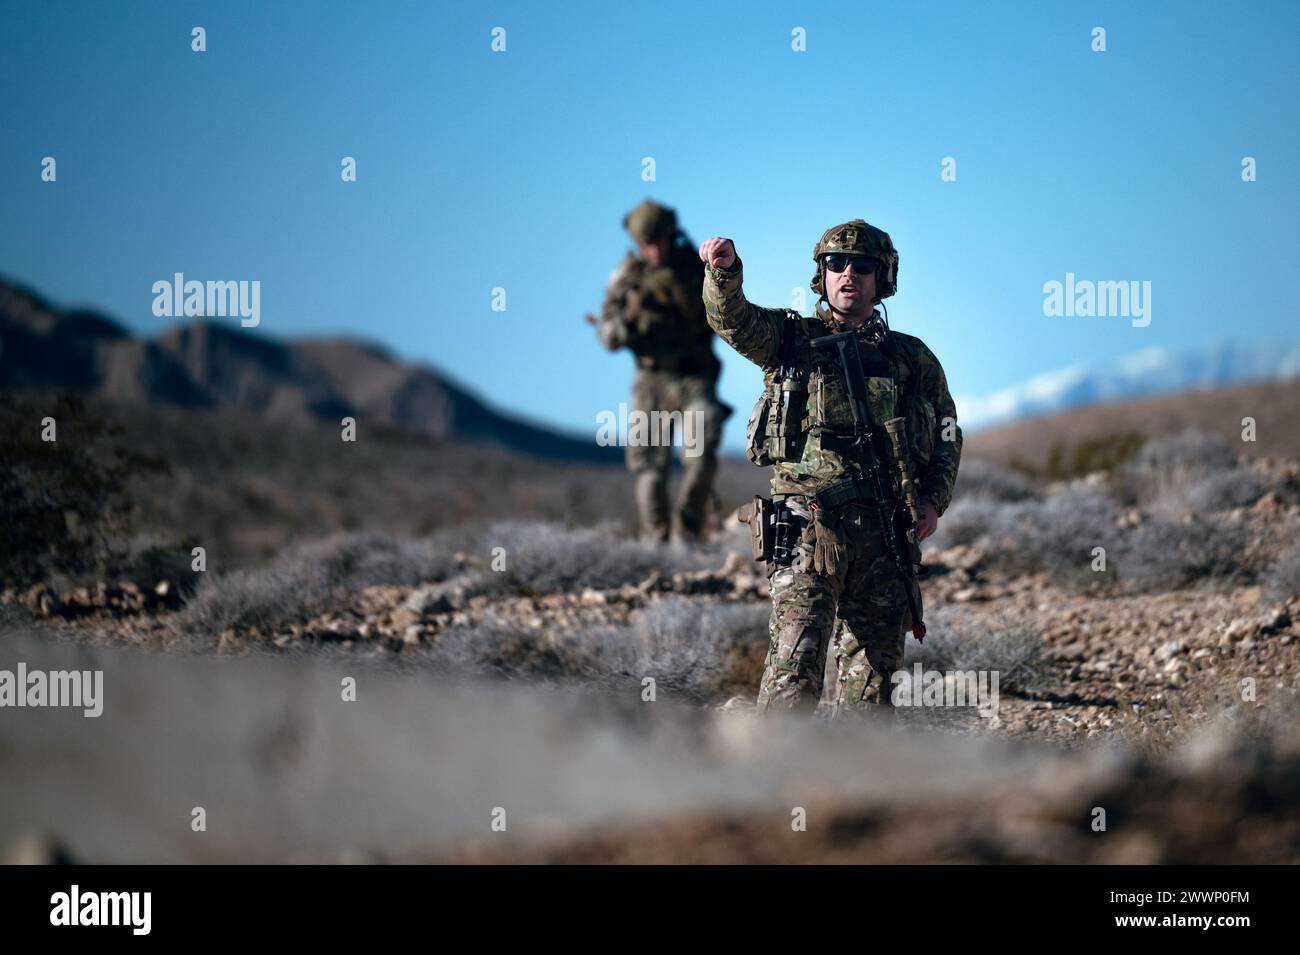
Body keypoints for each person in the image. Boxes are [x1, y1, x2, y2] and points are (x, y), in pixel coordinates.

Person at [698, 219, 961, 716]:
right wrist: (724, 273)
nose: (848, 274)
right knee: (794, 669)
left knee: (871, 688)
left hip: (885, 535)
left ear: (882, 277)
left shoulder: (911, 358)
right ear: (821, 274)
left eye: (862, 266)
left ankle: (849, 787)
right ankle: (769, 783)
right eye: (835, 264)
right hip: (808, 528)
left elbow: (947, 433)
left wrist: (932, 500)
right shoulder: (791, 339)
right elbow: (733, 321)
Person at [595, 200, 730, 541]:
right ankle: (655, 545)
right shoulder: (626, 277)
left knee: (701, 455)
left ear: (670, 236)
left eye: (659, 242)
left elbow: (727, 312)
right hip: (651, 381)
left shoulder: (693, 269)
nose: (654, 251)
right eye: (646, 245)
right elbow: (607, 336)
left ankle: (688, 532)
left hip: (694, 377)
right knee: (650, 470)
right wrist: (627, 318)